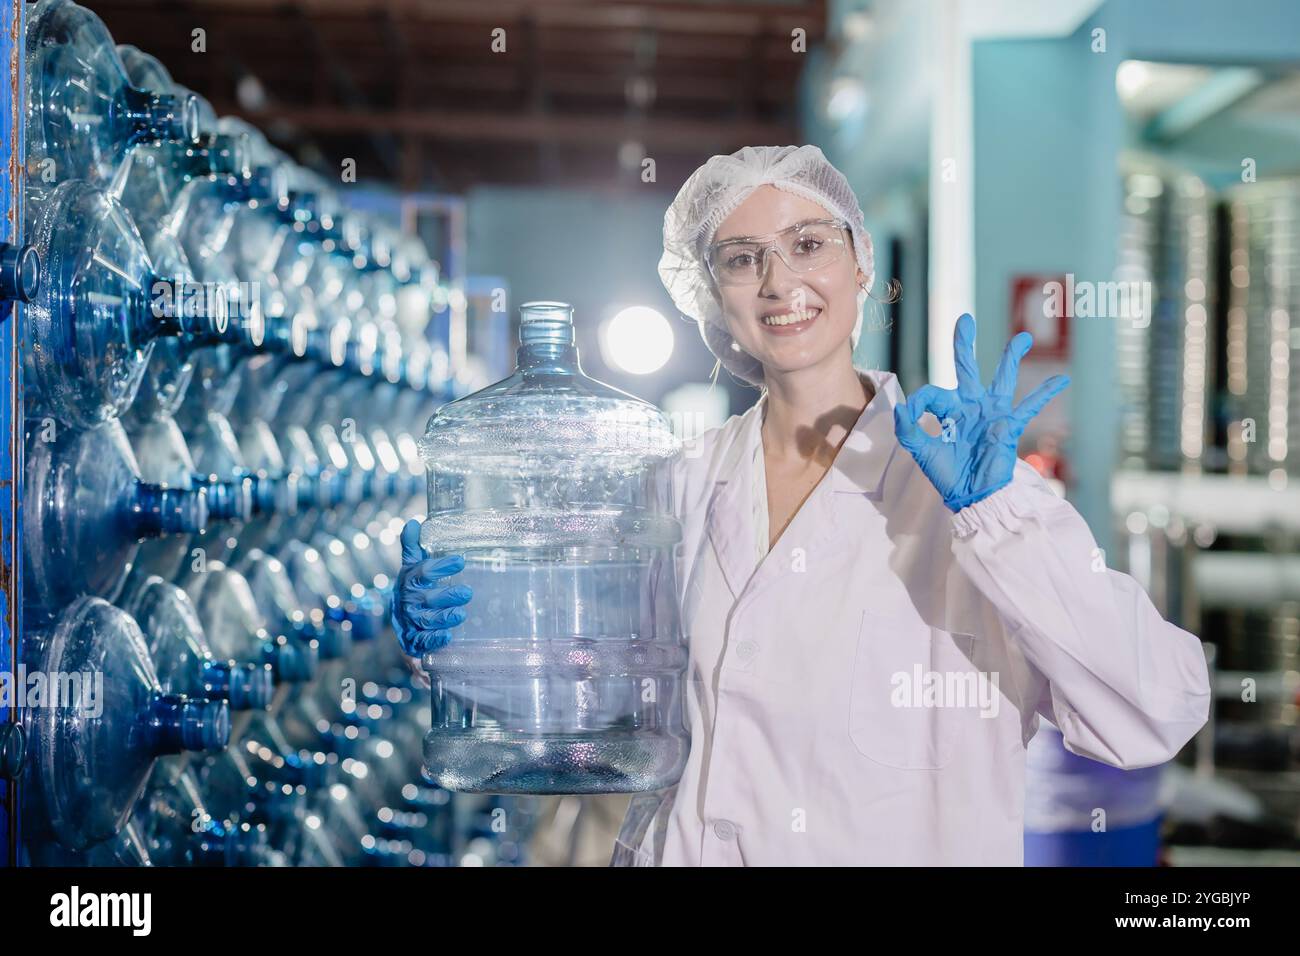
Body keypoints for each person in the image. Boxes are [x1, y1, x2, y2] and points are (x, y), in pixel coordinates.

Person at [391, 145, 1211, 866]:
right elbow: (596, 705)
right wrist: (461, 646)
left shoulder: (968, 491)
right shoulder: (673, 486)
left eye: (807, 245)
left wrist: (1000, 517)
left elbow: (1154, 711)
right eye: (742, 258)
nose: (780, 282)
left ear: (860, 264)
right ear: (712, 293)